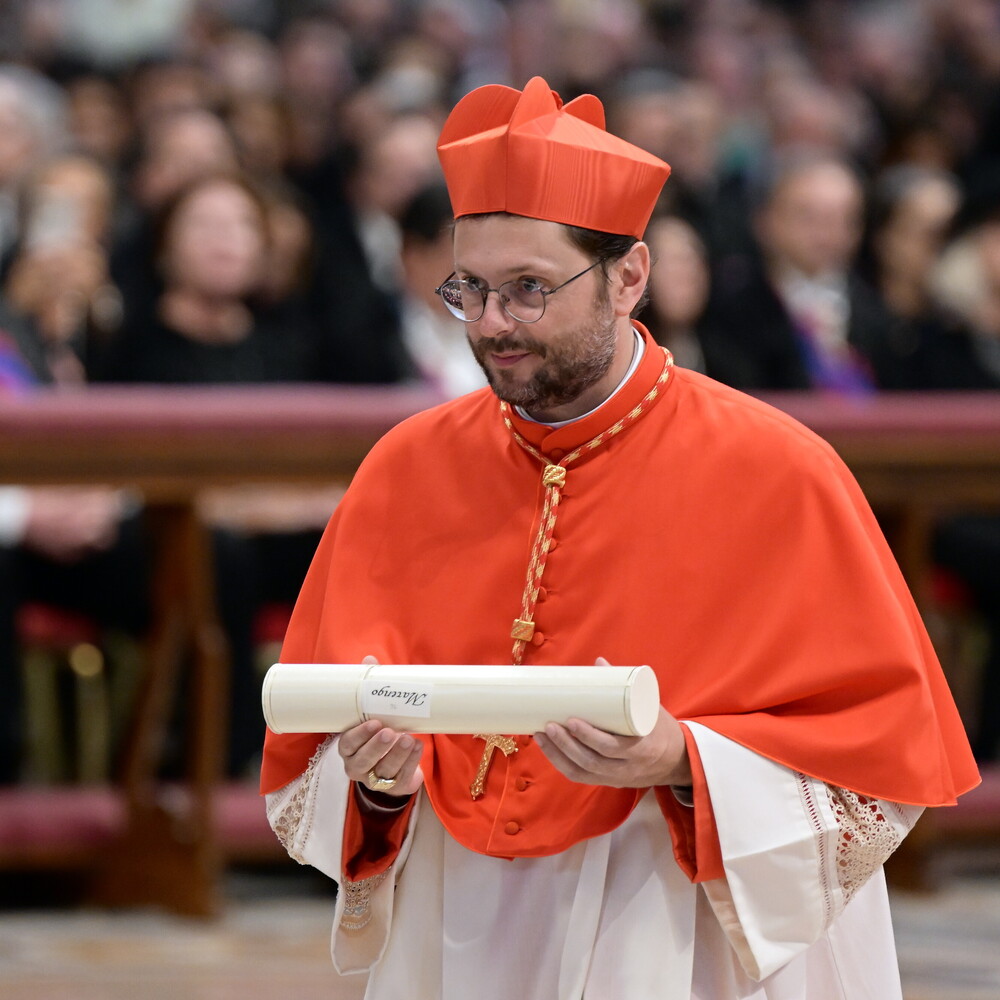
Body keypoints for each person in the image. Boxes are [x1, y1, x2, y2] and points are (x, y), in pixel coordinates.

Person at [260, 77, 978, 999]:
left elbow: (873, 761)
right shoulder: (406, 466)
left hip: (679, 904)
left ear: (629, 277)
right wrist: (377, 783)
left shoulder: (777, 468)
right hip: (465, 912)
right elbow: (317, 744)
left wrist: (685, 757)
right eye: (469, 289)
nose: (490, 325)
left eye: (528, 290)